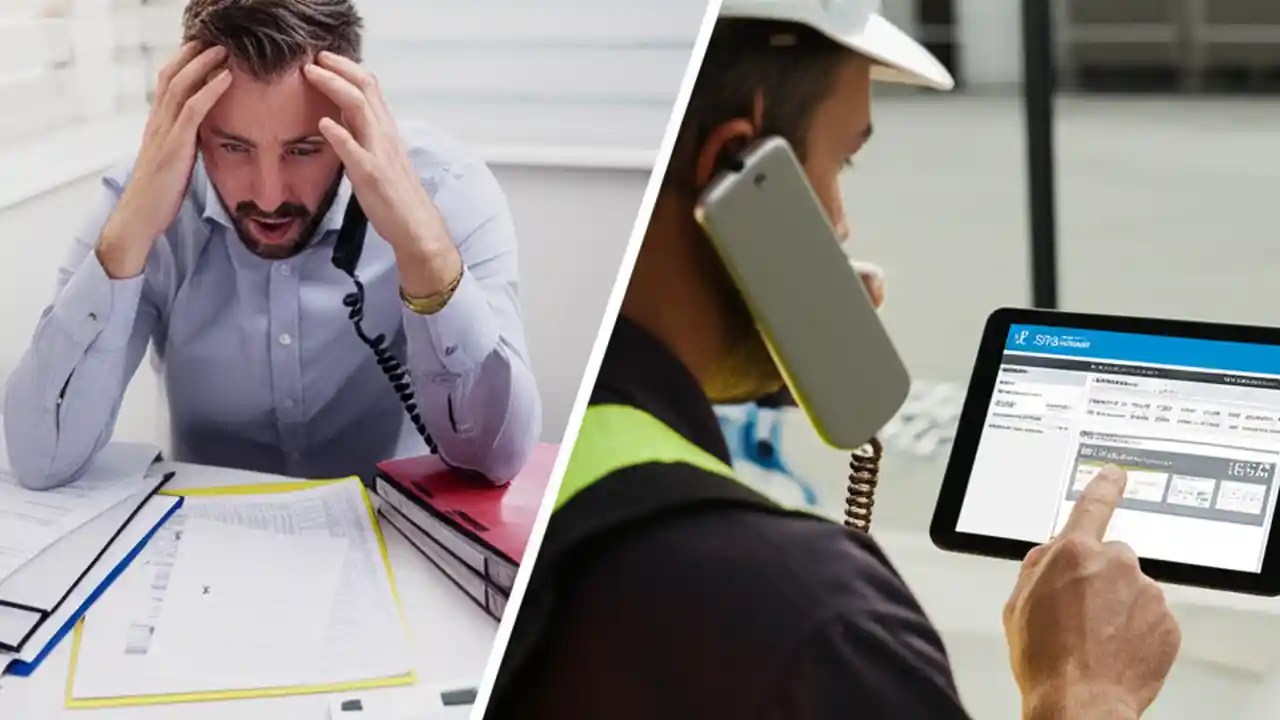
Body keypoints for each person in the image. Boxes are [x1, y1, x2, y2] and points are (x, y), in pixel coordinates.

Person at [484, 1, 1180, 718]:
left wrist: (748, 343)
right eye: (842, 159)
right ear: (736, 158)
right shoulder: (819, 628)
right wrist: (1086, 691)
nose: (841, 223)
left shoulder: (563, 462)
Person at [5, 0, 541, 490]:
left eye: (304, 149)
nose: (267, 195)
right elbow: (40, 459)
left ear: (352, 118)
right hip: (205, 548)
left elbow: (496, 459)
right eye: (233, 146)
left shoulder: (445, 187)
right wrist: (128, 239)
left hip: (396, 546)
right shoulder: (144, 198)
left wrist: (423, 250)